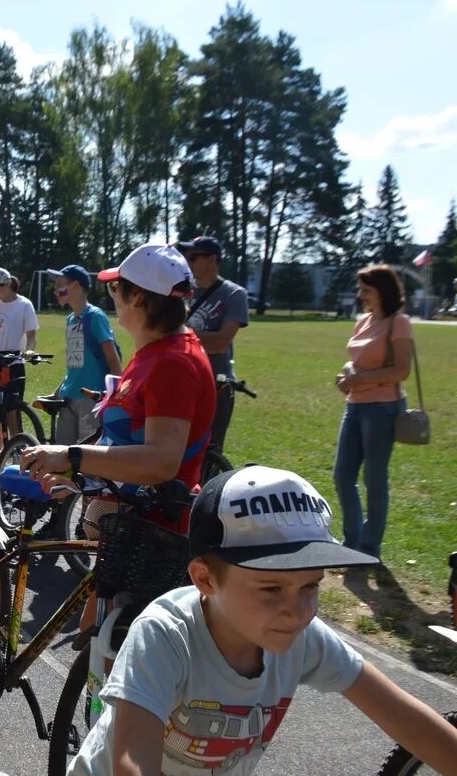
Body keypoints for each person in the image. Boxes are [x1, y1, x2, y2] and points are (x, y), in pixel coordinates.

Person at [67, 464, 457, 775]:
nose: (298, 610)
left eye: (310, 586)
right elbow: (131, 763)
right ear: (205, 579)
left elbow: (411, 723)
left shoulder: (303, 636)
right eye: (271, 589)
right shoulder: (166, 635)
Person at [22, 243, 215, 521]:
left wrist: (70, 455)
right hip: (127, 525)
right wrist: (79, 477)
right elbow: (124, 440)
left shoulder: (173, 362)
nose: (112, 296)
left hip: (151, 532)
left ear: (136, 296)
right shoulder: (155, 350)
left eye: (115, 287)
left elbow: (161, 463)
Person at [333, 264, 414, 557]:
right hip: (354, 406)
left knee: (374, 480)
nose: (361, 294)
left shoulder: (398, 322)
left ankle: (368, 548)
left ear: (383, 291)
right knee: (342, 476)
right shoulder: (364, 321)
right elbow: (354, 360)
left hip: (382, 408)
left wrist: (360, 379)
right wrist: (346, 375)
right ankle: (352, 541)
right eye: (361, 289)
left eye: (366, 289)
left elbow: (402, 371)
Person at [178, 235, 249, 449]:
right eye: (186, 257)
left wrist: (177, 335)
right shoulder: (181, 291)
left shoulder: (234, 294)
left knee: (211, 451)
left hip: (216, 385)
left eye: (193, 258)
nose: (188, 262)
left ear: (212, 260)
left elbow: (219, 343)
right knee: (177, 446)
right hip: (181, 380)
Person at [48, 264, 122, 444]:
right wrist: (57, 392)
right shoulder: (70, 319)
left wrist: (115, 395)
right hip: (68, 397)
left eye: (60, 285)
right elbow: (75, 364)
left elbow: (113, 359)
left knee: (88, 454)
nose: (56, 290)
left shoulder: (95, 316)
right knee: (61, 451)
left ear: (75, 286)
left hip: (90, 399)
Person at [0, 267, 39, 444]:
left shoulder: (24, 305)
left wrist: (29, 350)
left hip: (13, 360)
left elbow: (31, 335)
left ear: (7, 285)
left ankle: (17, 447)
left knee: (13, 410)